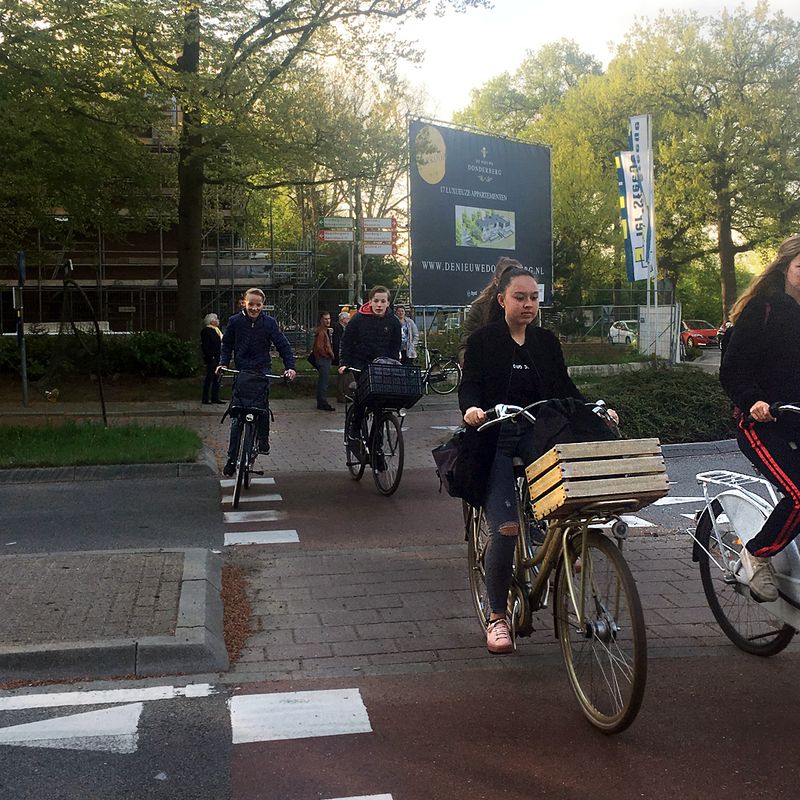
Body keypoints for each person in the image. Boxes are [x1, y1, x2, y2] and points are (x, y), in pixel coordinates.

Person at [459, 267, 616, 654]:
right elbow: (470, 385)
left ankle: (555, 546)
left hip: (536, 432)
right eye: (520, 297)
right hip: (493, 437)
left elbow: (564, 388)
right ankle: (497, 615)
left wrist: (595, 411)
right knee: (506, 528)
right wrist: (473, 410)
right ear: (502, 300)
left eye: (533, 298)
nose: (528, 304)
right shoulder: (484, 341)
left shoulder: (546, 342)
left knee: (565, 501)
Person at [719, 234, 800, 603]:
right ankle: (757, 553)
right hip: (764, 425)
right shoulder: (763, 309)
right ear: (786, 268)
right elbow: (733, 369)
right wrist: (754, 401)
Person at [217, 288, 297, 476]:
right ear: (244, 303)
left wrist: (290, 367)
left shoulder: (269, 323)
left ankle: (263, 440)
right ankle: (231, 459)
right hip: (242, 371)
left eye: (258, 304)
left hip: (262, 370)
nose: (254, 308)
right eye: (251, 304)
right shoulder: (235, 321)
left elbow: (283, 345)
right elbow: (227, 344)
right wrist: (222, 363)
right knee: (237, 415)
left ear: (263, 305)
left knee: (262, 408)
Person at [338, 285, 402, 440]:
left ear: (388, 303)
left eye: (383, 301)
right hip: (361, 363)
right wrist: (344, 363)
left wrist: (395, 365)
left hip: (383, 366)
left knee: (381, 402)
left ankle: (376, 440)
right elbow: (347, 342)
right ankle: (356, 426)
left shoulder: (393, 322)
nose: (379, 305)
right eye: (376, 301)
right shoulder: (358, 319)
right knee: (362, 395)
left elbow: (395, 346)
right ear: (370, 301)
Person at [458, 256, 523, 364]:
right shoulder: (481, 307)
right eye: (509, 280)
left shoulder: (528, 307)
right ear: (497, 282)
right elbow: (466, 345)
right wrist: (473, 366)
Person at [312, 311, 336, 411]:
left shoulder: (323, 331)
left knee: (323, 381)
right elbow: (320, 347)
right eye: (326, 319)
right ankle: (322, 402)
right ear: (321, 320)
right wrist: (328, 355)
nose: (328, 321)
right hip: (323, 359)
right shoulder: (322, 332)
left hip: (323, 359)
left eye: (329, 319)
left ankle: (321, 401)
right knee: (323, 382)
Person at [200, 313, 224, 405]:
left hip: (218, 357)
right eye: (216, 319)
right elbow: (206, 346)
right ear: (212, 321)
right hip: (212, 358)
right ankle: (205, 398)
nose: (218, 321)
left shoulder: (217, 330)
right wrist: (211, 356)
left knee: (217, 378)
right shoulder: (206, 331)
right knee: (209, 378)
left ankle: (215, 397)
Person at [332, 310, 350, 403]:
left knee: (345, 376)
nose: (349, 320)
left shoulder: (343, 328)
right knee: (342, 376)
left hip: (342, 354)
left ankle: (345, 393)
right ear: (343, 320)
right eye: (347, 318)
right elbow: (337, 343)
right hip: (340, 354)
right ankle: (341, 395)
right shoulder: (339, 329)